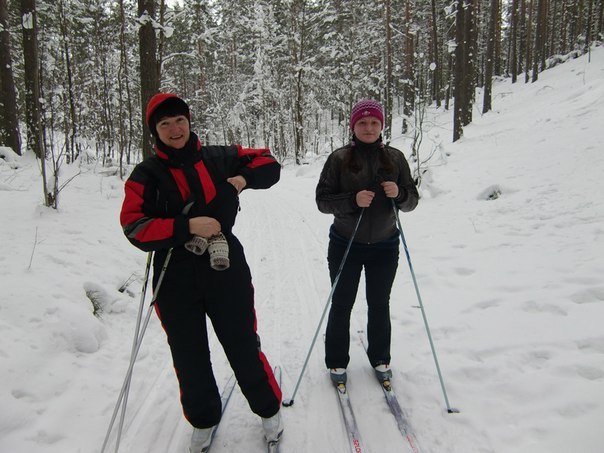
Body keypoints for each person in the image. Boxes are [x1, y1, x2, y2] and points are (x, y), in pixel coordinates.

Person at [120, 93, 283, 452]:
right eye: (165, 124)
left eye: (179, 120)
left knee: (242, 342)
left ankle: (269, 409)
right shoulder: (145, 175)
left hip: (224, 266)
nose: (175, 129)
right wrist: (186, 226)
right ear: (155, 131)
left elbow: (269, 163)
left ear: (189, 121)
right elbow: (134, 226)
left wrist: (239, 181)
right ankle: (203, 419)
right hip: (173, 273)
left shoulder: (218, 157)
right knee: (188, 354)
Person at [315, 99, 419, 385]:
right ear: (353, 126)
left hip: (385, 245)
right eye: (362, 122)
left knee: (379, 302)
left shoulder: (395, 158)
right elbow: (322, 201)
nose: (369, 128)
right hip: (345, 243)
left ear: (382, 125)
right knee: (342, 302)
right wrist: (352, 200)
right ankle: (337, 362)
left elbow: (412, 201)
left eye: (374, 122)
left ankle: (380, 358)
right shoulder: (339, 158)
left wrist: (400, 193)